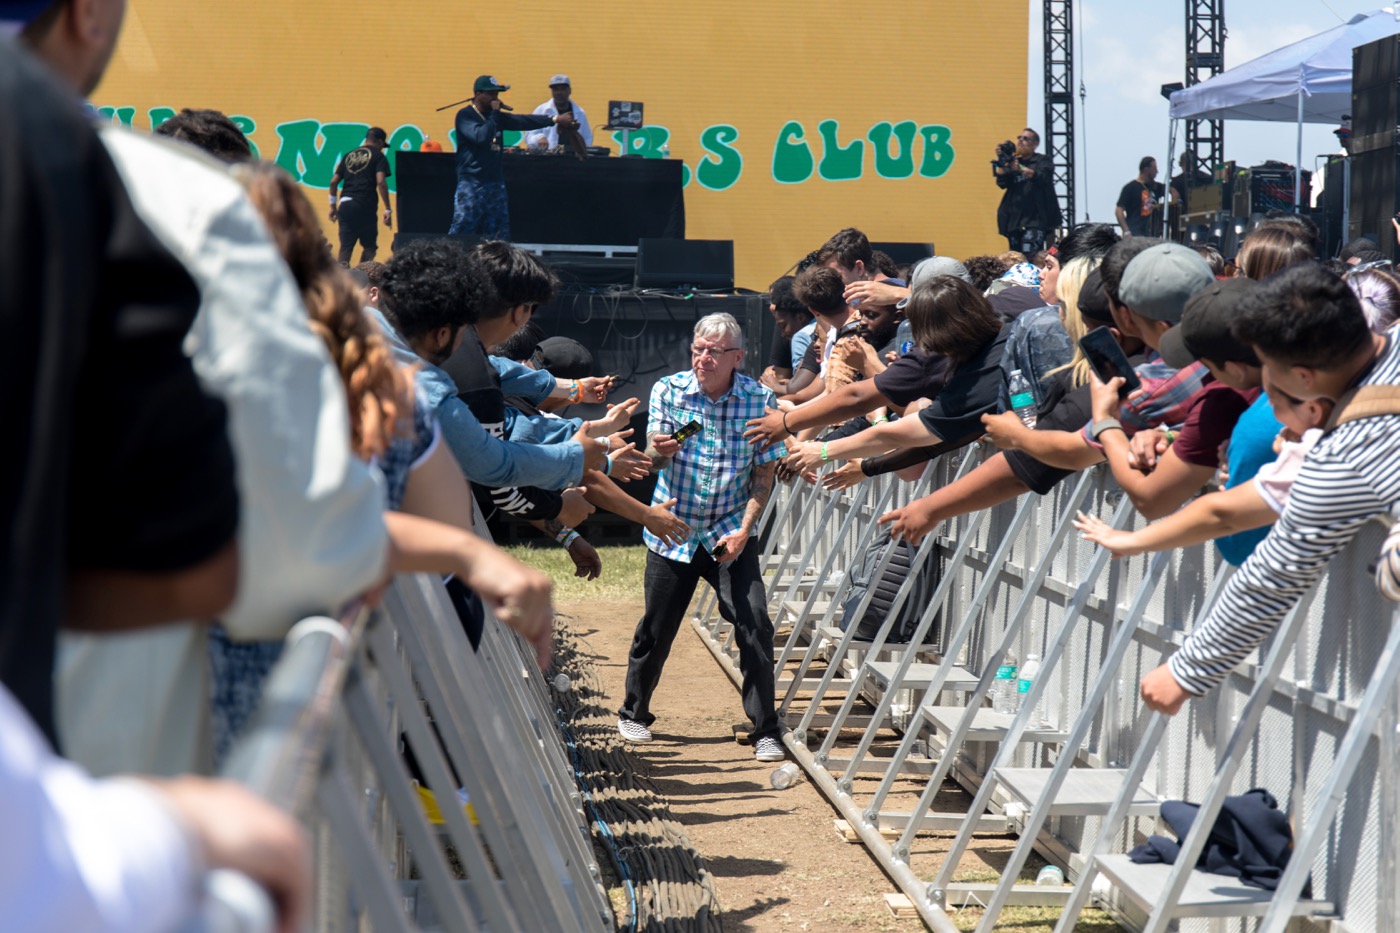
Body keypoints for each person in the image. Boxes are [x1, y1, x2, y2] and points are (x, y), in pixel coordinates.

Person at [1140, 262, 1400, 714]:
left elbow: (1274, 574)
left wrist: (1185, 671)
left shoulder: (1344, 455)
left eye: (1270, 373)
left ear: (1302, 377)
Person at [618, 313, 786, 762]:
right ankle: (634, 713)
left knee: (754, 623)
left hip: (730, 530)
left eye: (714, 351)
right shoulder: (669, 391)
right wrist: (659, 451)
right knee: (657, 627)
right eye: (698, 349)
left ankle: (765, 729)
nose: (703, 358)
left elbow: (764, 474)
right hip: (675, 528)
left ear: (737, 357)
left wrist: (745, 530)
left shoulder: (758, 399)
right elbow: (652, 459)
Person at [449, 75, 575, 239]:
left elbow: (522, 121)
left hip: (495, 182)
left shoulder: (496, 117)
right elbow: (481, 137)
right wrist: (495, 113)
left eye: (497, 94)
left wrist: (554, 119)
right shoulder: (465, 116)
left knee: (497, 231)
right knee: (464, 226)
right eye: (491, 94)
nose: (495, 98)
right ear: (478, 94)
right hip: (472, 182)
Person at [328, 126, 392, 265]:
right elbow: (381, 182)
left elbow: (333, 182)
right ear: (380, 142)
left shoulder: (348, 156)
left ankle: (342, 280)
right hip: (364, 204)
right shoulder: (378, 155)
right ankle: (362, 276)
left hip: (345, 205)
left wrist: (332, 206)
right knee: (369, 247)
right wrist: (387, 208)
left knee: (346, 247)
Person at [993, 128, 1062, 253]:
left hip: (1035, 220)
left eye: (1026, 139)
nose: (1021, 141)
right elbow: (1002, 182)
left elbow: (1042, 177)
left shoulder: (1042, 160)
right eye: (1019, 138)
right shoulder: (1013, 162)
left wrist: (1020, 168)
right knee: (1015, 258)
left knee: (1031, 256)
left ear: (1035, 144)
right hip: (1014, 221)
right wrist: (1002, 162)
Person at [525, 74, 594, 150]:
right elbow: (529, 136)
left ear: (570, 91)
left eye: (562, 89)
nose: (559, 92)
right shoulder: (541, 110)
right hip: (547, 158)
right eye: (556, 89)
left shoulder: (580, 113)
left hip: (572, 159)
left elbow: (587, 139)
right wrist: (539, 138)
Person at [1115, 156, 1165, 238]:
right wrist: (1126, 231)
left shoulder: (1156, 187)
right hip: (1136, 233)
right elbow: (1119, 211)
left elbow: (1172, 190)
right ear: (1146, 170)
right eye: (1154, 169)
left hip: (1152, 234)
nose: (1157, 172)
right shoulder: (1130, 187)